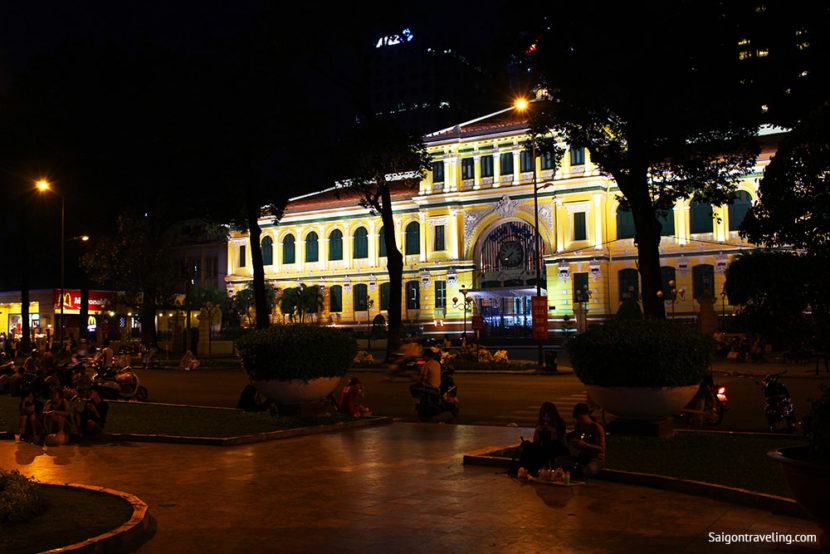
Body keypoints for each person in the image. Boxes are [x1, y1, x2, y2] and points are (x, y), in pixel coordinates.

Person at [514, 402, 569, 477]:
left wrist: (553, 432)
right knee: (528, 447)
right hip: (543, 448)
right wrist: (537, 432)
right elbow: (536, 443)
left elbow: (558, 442)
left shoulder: (559, 424)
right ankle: (522, 468)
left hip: (556, 448)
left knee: (547, 452)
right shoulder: (540, 424)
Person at [557, 403, 605, 478]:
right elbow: (578, 444)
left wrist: (584, 445)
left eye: (581, 419)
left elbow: (601, 449)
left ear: (587, 415)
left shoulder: (596, 427)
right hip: (582, 457)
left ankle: (578, 471)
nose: (579, 421)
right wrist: (574, 443)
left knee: (590, 469)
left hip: (595, 458)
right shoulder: (579, 426)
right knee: (559, 460)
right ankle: (577, 469)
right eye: (577, 419)